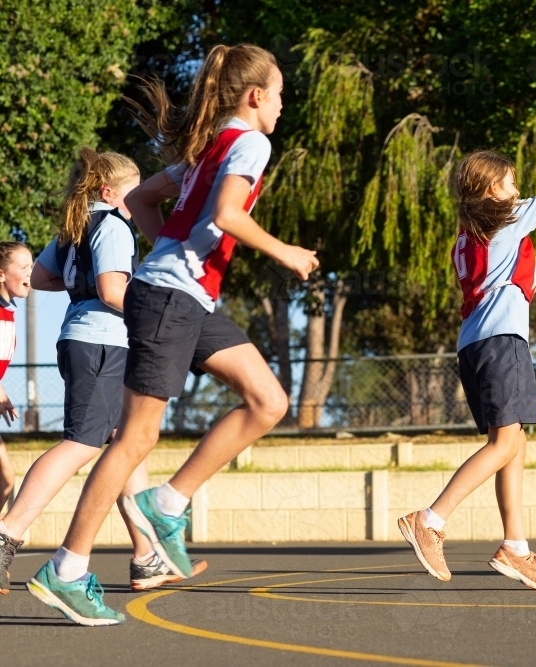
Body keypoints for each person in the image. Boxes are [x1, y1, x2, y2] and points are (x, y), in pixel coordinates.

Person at [27, 43, 318, 626]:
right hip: (169, 299)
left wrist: (170, 250)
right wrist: (285, 251)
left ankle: (168, 501)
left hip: (186, 296)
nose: (284, 106)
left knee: (268, 399)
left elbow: (139, 198)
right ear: (256, 96)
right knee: (133, 440)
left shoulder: (211, 146)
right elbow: (228, 217)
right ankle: (66, 568)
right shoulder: (251, 143)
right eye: (281, 94)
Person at [398, 119, 536, 590]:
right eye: (512, 182)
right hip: (502, 344)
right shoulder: (513, 214)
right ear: (495, 190)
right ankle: (431, 520)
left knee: (513, 444)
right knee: (504, 444)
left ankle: (515, 547)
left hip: (477, 343)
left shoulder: (470, 237)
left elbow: (503, 292)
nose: (519, 189)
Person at [0, 149, 201, 598]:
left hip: (85, 339)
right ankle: (7, 533)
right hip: (102, 344)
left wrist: (81, 285)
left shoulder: (76, 227)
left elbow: (45, 277)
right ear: (109, 191)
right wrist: (156, 309)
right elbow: (113, 291)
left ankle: (145, 555)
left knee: (126, 444)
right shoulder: (112, 225)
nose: (144, 195)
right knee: (82, 442)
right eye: (136, 188)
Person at [0, 241, 32, 586]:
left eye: (32, 266)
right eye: (22, 267)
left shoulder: (8, 312)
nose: (30, 273)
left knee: (5, 479)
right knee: (5, 477)